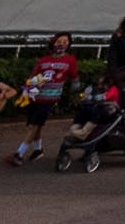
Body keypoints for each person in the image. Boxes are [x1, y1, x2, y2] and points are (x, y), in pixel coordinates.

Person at [6, 33, 79, 166]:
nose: (62, 44)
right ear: (53, 43)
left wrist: (76, 92)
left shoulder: (70, 60)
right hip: (36, 95)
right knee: (36, 124)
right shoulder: (44, 60)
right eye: (59, 41)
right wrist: (27, 89)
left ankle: (19, 154)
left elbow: (74, 77)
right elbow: (34, 75)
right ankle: (38, 150)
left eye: (65, 42)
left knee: (35, 124)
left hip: (50, 97)